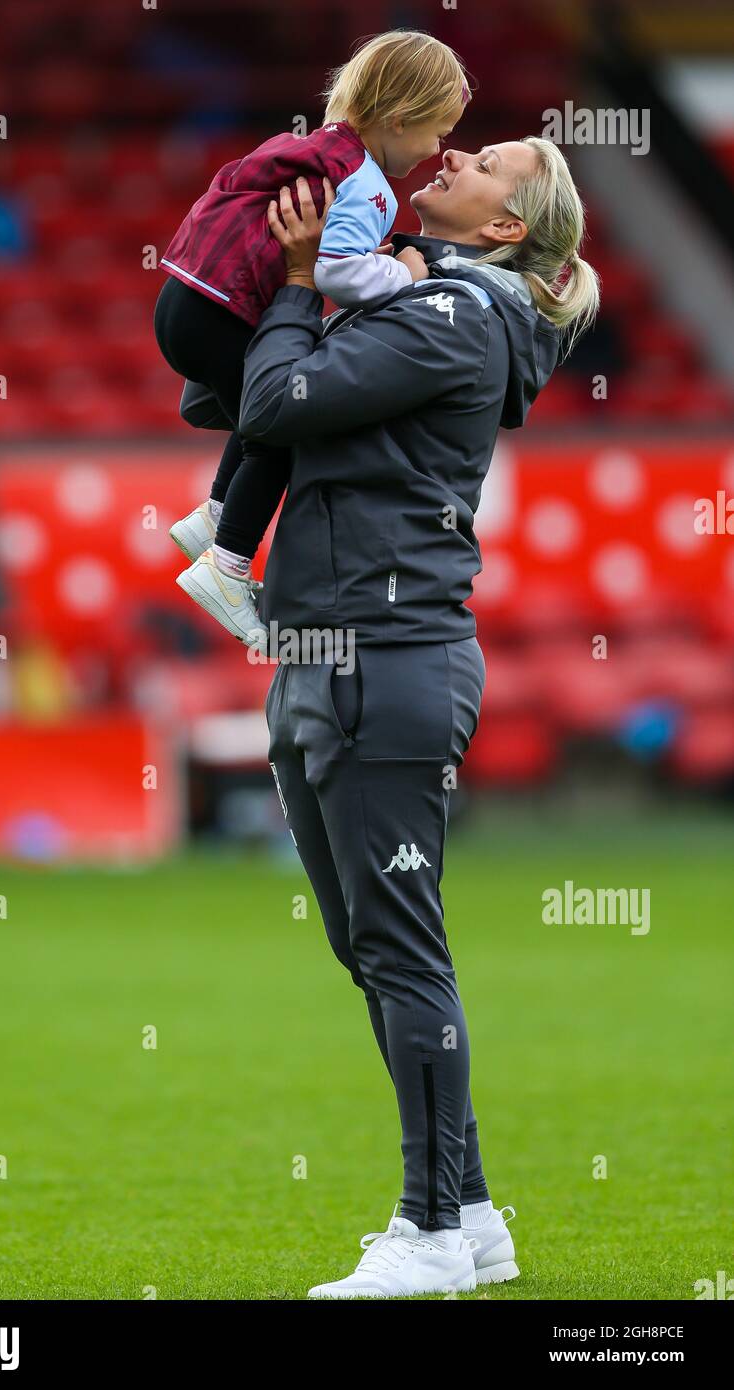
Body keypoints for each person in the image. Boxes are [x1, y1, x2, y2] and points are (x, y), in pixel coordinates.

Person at [234, 137, 600, 1298]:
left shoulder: (449, 314)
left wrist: (295, 284)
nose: (454, 155)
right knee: (369, 949)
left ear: (504, 227)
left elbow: (274, 401)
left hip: (380, 655)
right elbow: (247, 398)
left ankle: (428, 1227)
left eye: (488, 161)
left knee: (399, 949)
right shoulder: (427, 299)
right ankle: (474, 1213)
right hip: (328, 650)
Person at [153, 30, 470, 642]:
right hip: (223, 313)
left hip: (185, 303)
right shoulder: (369, 184)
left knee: (255, 409)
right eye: (437, 133)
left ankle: (214, 517)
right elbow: (338, 272)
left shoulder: (316, 148)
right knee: (281, 425)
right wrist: (401, 272)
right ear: (401, 119)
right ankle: (228, 565)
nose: (436, 151)